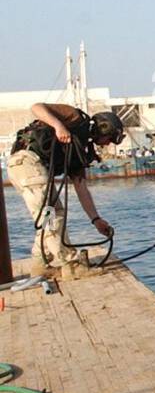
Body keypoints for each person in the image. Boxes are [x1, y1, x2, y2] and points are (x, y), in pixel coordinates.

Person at [8, 103, 124, 271]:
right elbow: (36, 107)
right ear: (104, 129)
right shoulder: (74, 117)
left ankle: (40, 262)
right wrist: (59, 126)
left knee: (51, 213)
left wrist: (96, 220)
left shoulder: (78, 149)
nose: (107, 144)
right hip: (27, 162)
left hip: (29, 169)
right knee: (51, 214)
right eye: (109, 139)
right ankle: (71, 264)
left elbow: (81, 188)